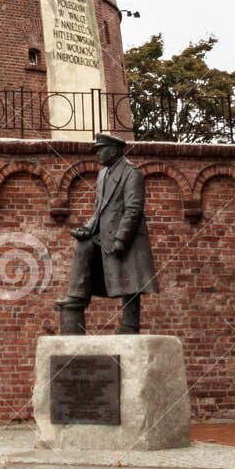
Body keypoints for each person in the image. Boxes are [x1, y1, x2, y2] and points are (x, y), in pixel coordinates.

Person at [60, 132, 157, 334]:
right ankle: (76, 299)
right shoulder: (103, 174)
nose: (98, 154)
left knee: (131, 279)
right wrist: (87, 228)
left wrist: (121, 239)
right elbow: (100, 209)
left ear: (113, 150)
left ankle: (130, 324)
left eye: (101, 149)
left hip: (126, 235)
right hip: (104, 232)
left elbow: (133, 209)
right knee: (84, 247)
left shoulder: (132, 173)